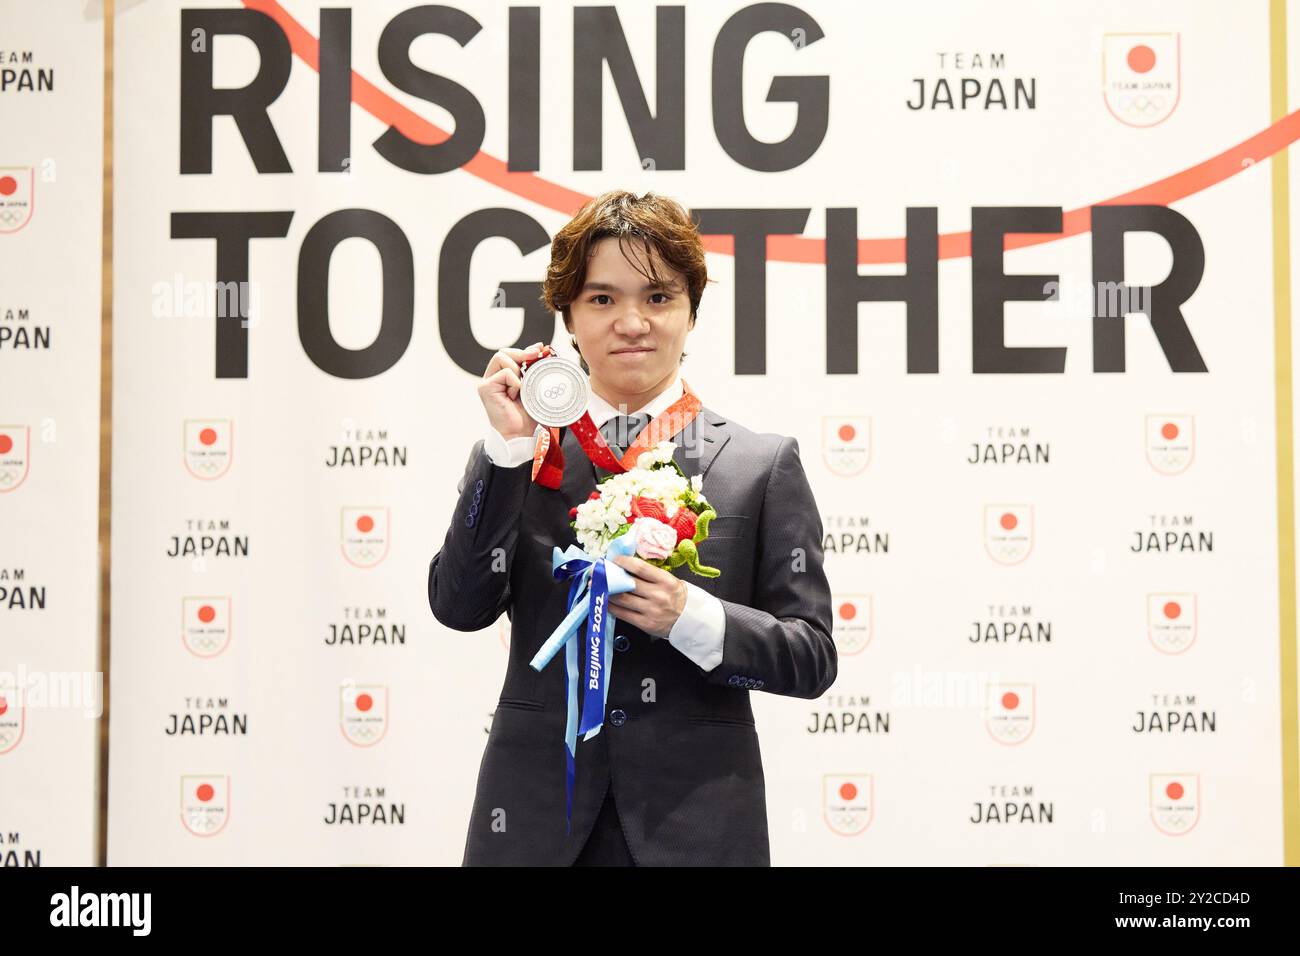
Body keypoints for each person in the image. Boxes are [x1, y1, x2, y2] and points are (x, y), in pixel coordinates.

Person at [428, 190, 836, 866]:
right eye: (602, 299)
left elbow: (811, 655)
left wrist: (689, 615)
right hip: (533, 823)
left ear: (690, 313)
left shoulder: (760, 466)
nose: (631, 322)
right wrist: (504, 451)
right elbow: (459, 606)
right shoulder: (523, 454)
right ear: (566, 317)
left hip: (699, 823)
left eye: (657, 297)